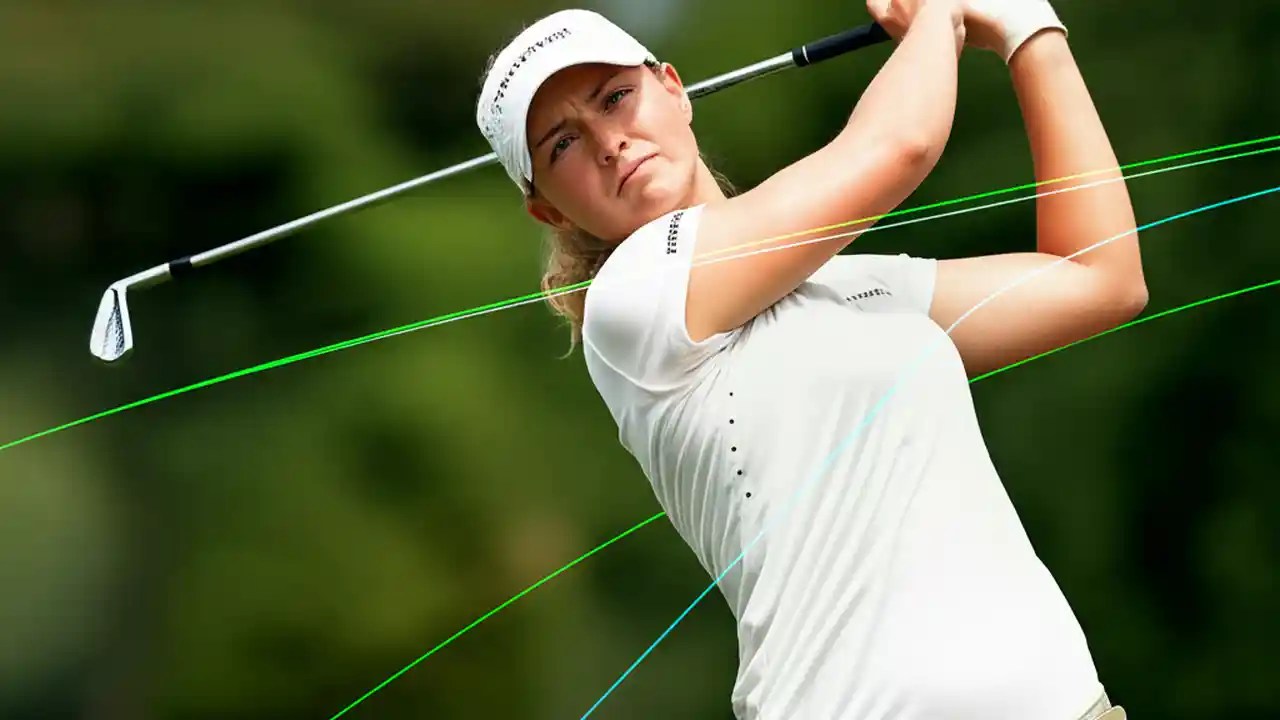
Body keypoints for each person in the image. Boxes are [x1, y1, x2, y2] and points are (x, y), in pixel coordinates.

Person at [475, 1, 1144, 718]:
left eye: (616, 98)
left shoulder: (853, 287)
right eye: (562, 145)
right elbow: (900, 145)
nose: (609, 141)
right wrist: (936, 16)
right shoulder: (632, 303)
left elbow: (1099, 280)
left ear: (673, 88)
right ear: (549, 210)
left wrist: (1030, 35)